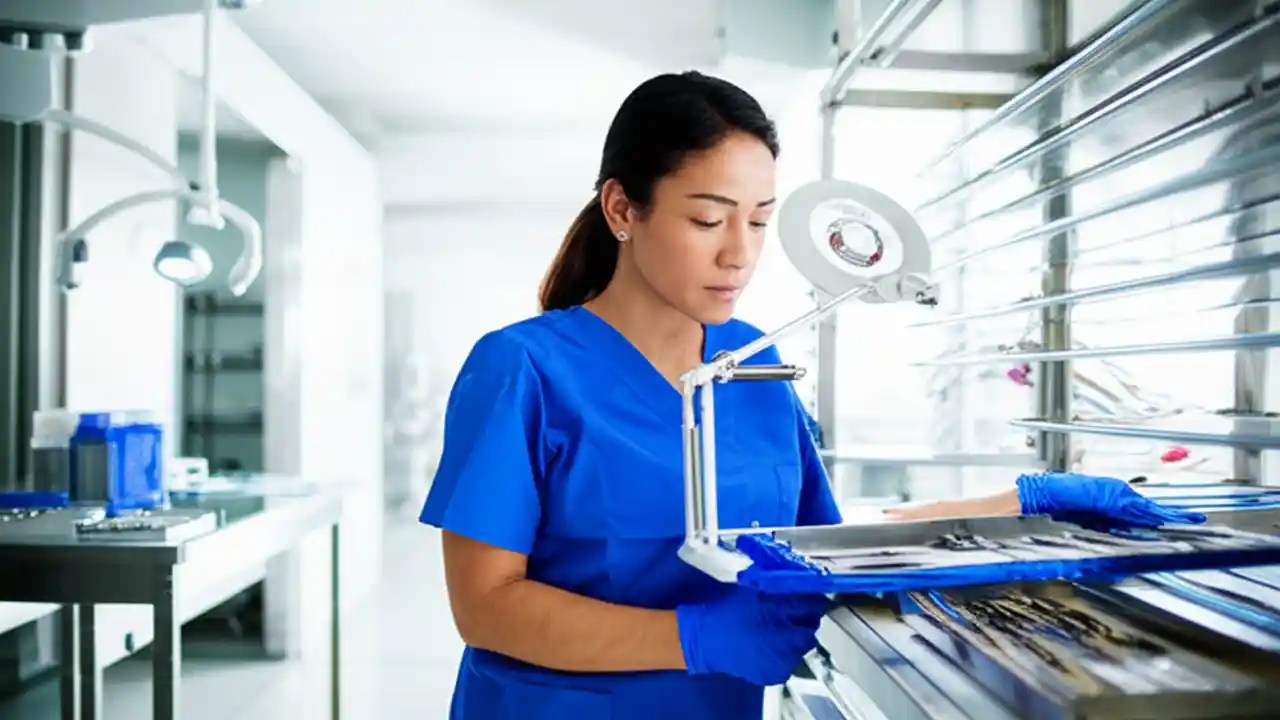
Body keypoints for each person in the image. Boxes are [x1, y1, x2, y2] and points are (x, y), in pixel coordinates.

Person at [420, 71, 1205, 720]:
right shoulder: (521, 370)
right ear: (623, 208)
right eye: (707, 218)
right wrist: (694, 639)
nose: (739, 254)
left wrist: (1026, 508)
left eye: (760, 222)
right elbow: (486, 605)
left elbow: (820, 543)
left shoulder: (751, 366)